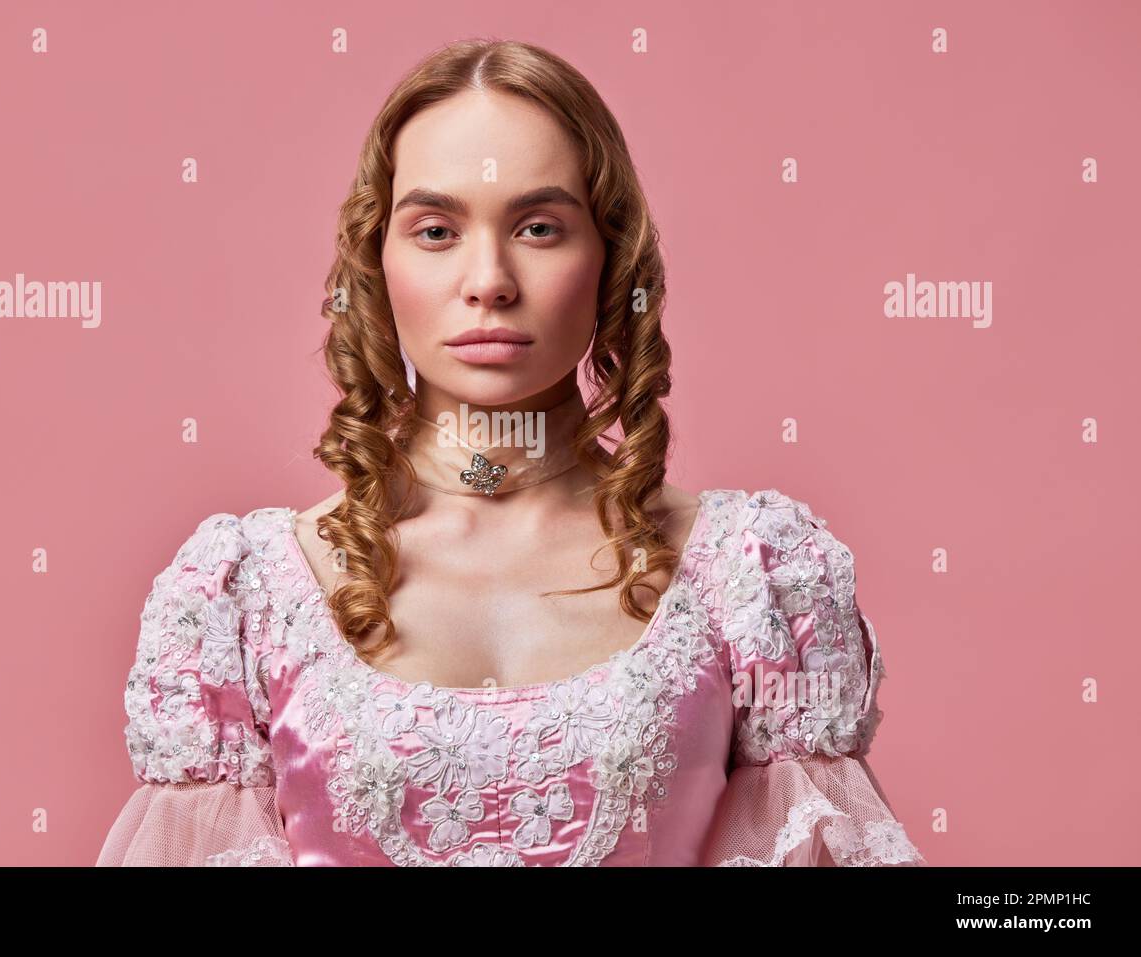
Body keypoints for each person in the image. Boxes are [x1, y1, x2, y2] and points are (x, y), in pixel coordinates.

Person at [95, 38, 926, 867]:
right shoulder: (243, 598)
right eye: (435, 229)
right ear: (376, 264)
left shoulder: (752, 579)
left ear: (609, 260)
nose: (489, 277)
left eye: (538, 226)